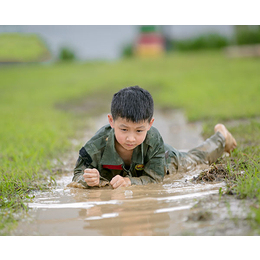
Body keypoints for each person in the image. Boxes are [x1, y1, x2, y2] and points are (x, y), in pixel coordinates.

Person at [69, 86, 237, 189]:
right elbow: (78, 173)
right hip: (134, 168)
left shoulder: (153, 138)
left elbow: (155, 179)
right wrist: (87, 179)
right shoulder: (98, 144)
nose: (131, 138)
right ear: (111, 121)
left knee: (197, 159)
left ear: (150, 124)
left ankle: (221, 136)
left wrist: (129, 182)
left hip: (165, 159)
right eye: (124, 129)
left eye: (139, 131)